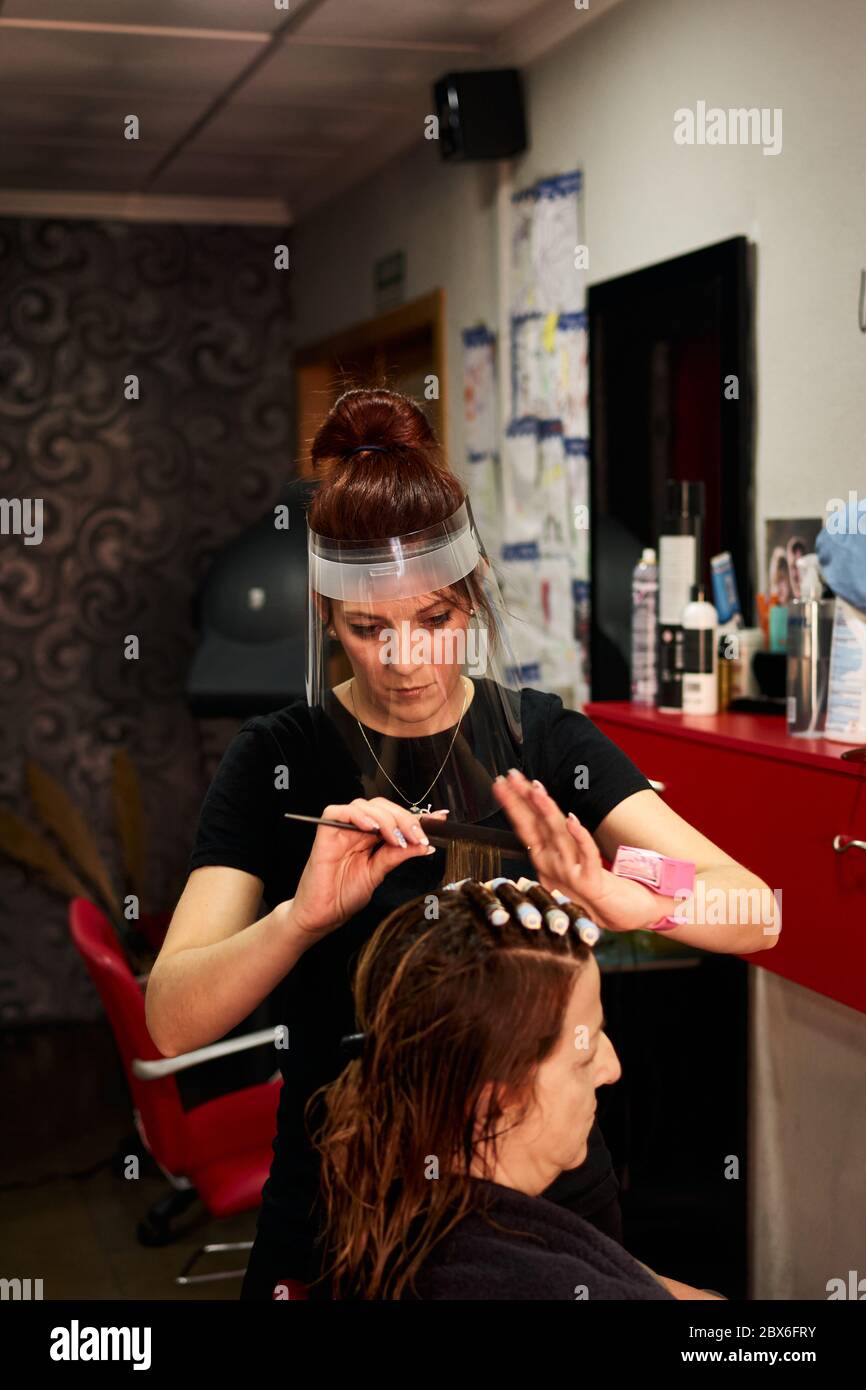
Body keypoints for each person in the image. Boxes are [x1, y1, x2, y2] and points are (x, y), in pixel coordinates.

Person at [145, 387, 775, 1300]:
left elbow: (757, 912)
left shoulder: (542, 740)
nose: (405, 660)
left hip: (544, 1209)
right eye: (370, 628)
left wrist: (632, 897)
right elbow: (172, 1018)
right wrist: (298, 921)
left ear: (472, 600)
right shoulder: (278, 758)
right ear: (327, 617)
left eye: (434, 622)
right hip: (341, 1202)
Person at [313, 773, 723, 1299]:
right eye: (583, 1051)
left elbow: (760, 910)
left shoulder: (396, 1198)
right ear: (493, 1098)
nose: (612, 1067)